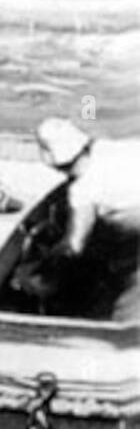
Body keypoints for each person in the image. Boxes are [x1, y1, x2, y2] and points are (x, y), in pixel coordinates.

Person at [35, 118, 140, 322]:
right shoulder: (110, 147)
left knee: (127, 315)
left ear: (55, 165)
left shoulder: (82, 191)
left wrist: (44, 264)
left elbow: (73, 247)